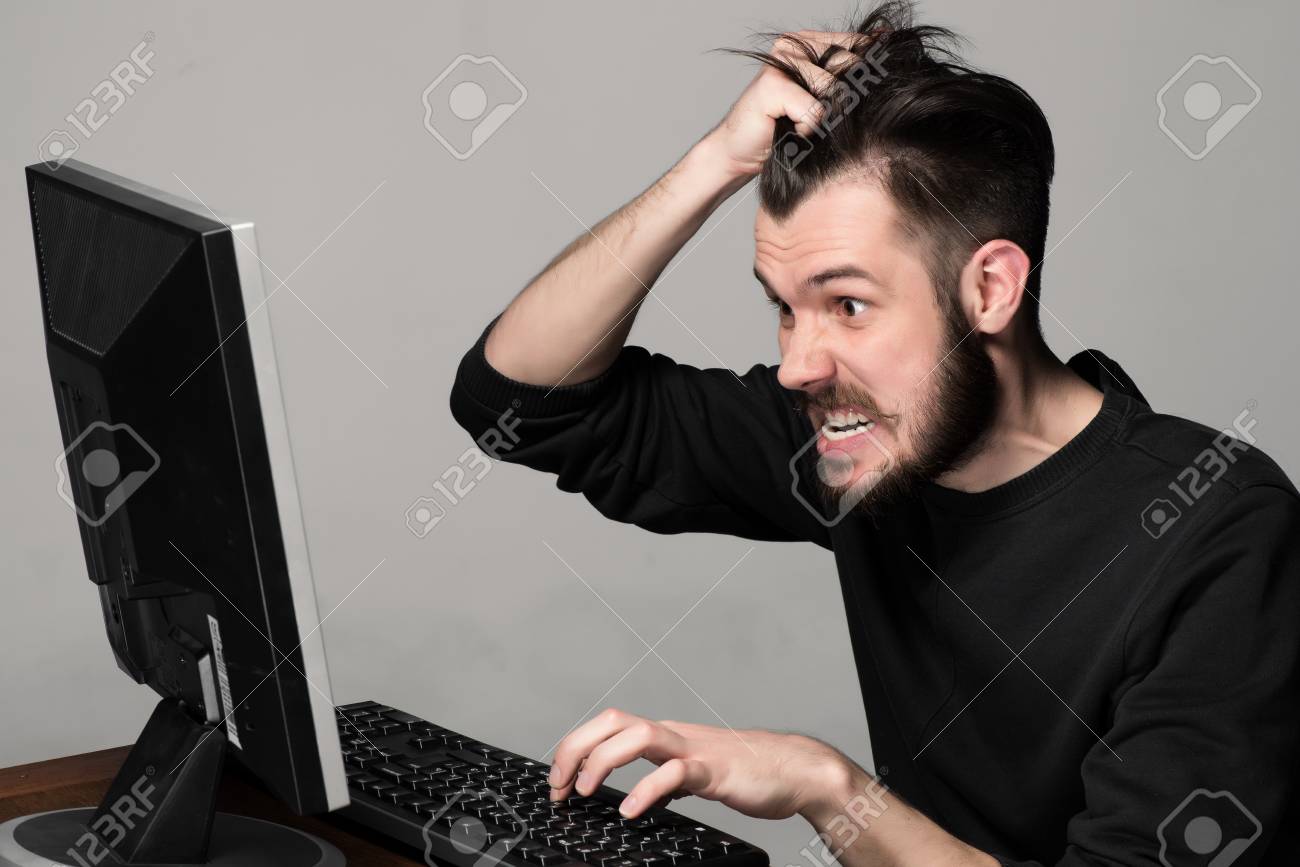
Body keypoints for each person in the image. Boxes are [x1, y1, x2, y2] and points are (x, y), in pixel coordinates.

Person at [449, 2, 1300, 863]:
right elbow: (519, 402)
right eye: (786, 307)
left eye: (848, 304)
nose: (797, 365)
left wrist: (828, 786)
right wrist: (715, 164)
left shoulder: (1217, 530)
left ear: (991, 290)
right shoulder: (855, 437)